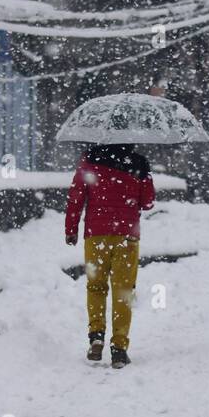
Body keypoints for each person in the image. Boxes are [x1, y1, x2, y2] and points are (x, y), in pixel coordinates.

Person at [65, 143, 155, 368]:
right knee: (123, 291)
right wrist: (146, 176)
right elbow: (148, 202)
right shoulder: (139, 163)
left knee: (95, 287)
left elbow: (76, 197)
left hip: (96, 236)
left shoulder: (89, 160)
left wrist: (71, 229)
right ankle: (119, 349)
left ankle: (96, 335)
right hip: (126, 236)